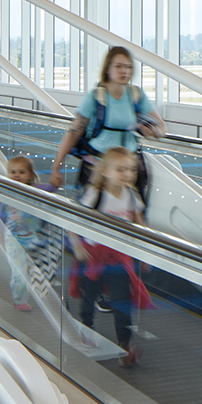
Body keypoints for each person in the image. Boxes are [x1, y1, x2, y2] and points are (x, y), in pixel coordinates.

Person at [68, 147, 153, 369]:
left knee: (121, 300)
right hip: (93, 254)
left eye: (131, 169)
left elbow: (140, 225)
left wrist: (145, 254)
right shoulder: (95, 194)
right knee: (89, 297)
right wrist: (76, 245)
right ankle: (86, 329)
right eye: (120, 169)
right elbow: (71, 218)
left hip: (119, 257)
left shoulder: (132, 195)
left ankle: (124, 346)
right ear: (105, 171)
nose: (127, 174)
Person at [48, 46, 166, 191]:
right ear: (108, 69)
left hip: (127, 170)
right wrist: (56, 167)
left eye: (128, 67)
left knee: (131, 210)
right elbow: (74, 132)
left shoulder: (136, 95)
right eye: (119, 66)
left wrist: (152, 131)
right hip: (98, 167)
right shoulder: (95, 97)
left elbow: (161, 126)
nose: (124, 71)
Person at [0, 156, 69, 312]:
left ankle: (42, 291)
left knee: (37, 267)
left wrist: (55, 183)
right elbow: (0, 215)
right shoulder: (8, 191)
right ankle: (19, 299)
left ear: (30, 175)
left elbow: (50, 189)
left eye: (21, 172)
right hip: (13, 238)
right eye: (13, 172)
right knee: (18, 271)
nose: (16, 175)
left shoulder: (36, 189)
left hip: (33, 238)